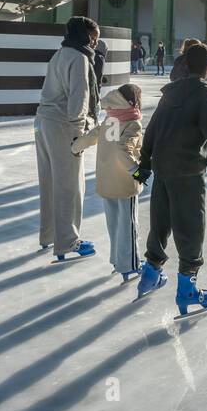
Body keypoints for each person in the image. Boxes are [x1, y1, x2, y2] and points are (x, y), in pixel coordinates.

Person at [132, 43, 207, 315]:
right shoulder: (205, 95)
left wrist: (142, 170)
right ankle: (187, 289)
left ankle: (149, 275)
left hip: (162, 169)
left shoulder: (170, 94)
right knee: (190, 227)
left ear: (186, 65)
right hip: (187, 173)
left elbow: (151, 132)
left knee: (160, 222)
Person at [33, 15, 100, 259]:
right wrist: (79, 131)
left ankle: (48, 235)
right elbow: (79, 98)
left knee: (49, 181)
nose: (95, 43)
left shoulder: (58, 55)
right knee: (69, 186)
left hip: (43, 121)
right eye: (94, 38)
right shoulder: (80, 58)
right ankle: (68, 242)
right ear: (86, 36)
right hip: (64, 125)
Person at [72, 84, 144, 281]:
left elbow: (91, 136)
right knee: (128, 226)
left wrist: (75, 146)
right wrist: (139, 174)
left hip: (106, 181)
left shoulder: (110, 120)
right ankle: (130, 264)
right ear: (133, 102)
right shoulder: (132, 123)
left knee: (114, 224)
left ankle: (117, 259)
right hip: (124, 183)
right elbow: (124, 151)